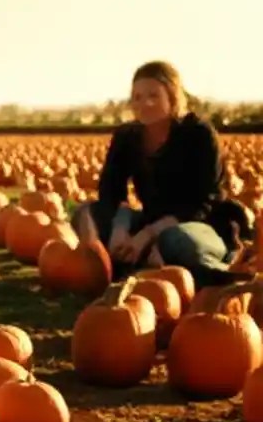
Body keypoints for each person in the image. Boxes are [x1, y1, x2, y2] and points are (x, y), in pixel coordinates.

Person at [71, 60, 253, 287]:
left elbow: (206, 201)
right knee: (86, 213)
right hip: (151, 221)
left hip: (202, 225)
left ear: (172, 97)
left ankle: (225, 273)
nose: (143, 103)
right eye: (137, 97)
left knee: (177, 240)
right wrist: (120, 231)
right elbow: (110, 191)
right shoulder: (127, 136)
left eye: (153, 96)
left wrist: (149, 234)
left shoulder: (198, 134)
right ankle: (122, 262)